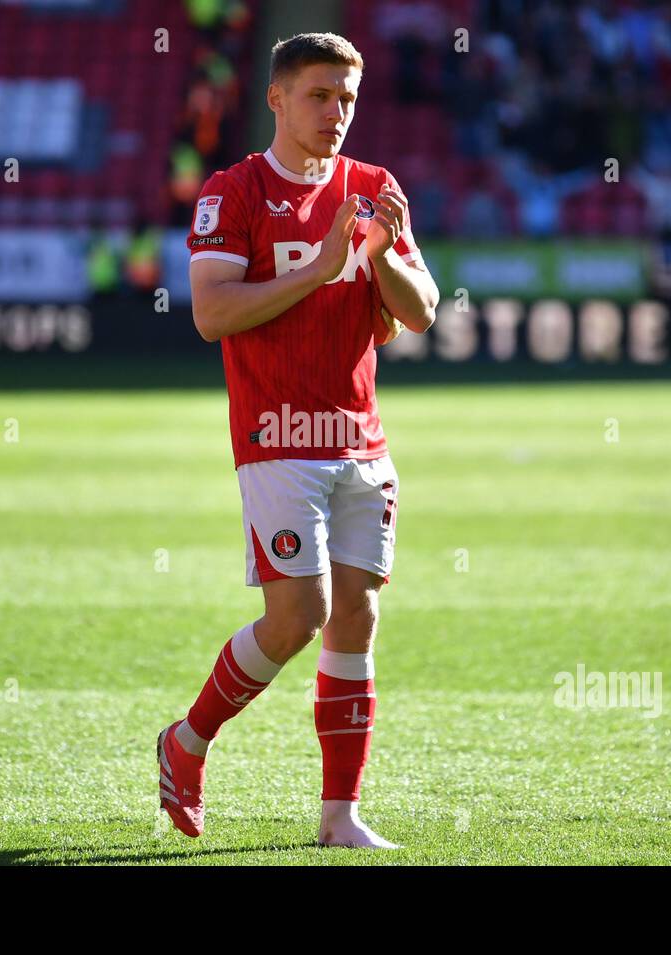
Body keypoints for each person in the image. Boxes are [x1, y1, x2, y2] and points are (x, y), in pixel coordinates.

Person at [164, 32, 439, 848]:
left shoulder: (375, 188)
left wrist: (379, 258)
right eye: (320, 96)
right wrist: (318, 270)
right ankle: (187, 739)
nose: (336, 113)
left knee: (356, 613)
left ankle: (340, 815)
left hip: (360, 437)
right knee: (299, 613)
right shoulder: (234, 190)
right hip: (277, 435)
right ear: (277, 98)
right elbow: (212, 312)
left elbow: (420, 310)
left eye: (347, 99)